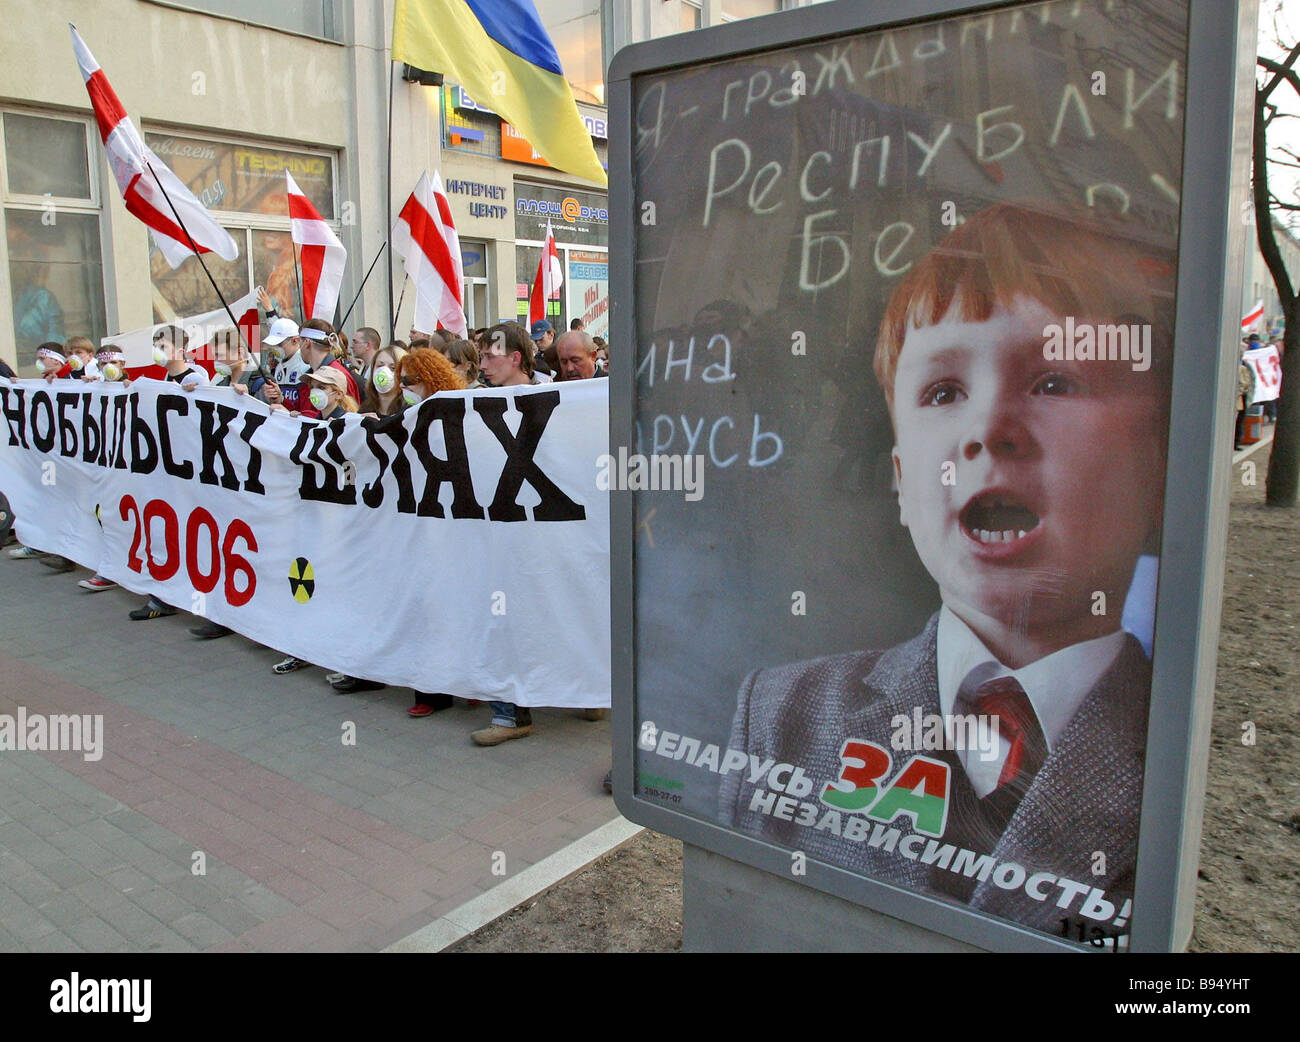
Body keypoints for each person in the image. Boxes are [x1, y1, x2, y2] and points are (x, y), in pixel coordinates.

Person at [718, 203, 1172, 937]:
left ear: (1154, 467)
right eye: (943, 393)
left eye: (1054, 382)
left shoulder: (1170, 739)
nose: (987, 428)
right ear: (901, 481)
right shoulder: (784, 715)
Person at [471, 324, 542, 746]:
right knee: (502, 620)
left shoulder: (557, 398)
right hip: (497, 533)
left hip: (545, 534)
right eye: (479, 358)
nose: (482, 365)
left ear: (515, 357)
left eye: (489, 357)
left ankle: (591, 691)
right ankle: (508, 714)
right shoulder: (474, 403)